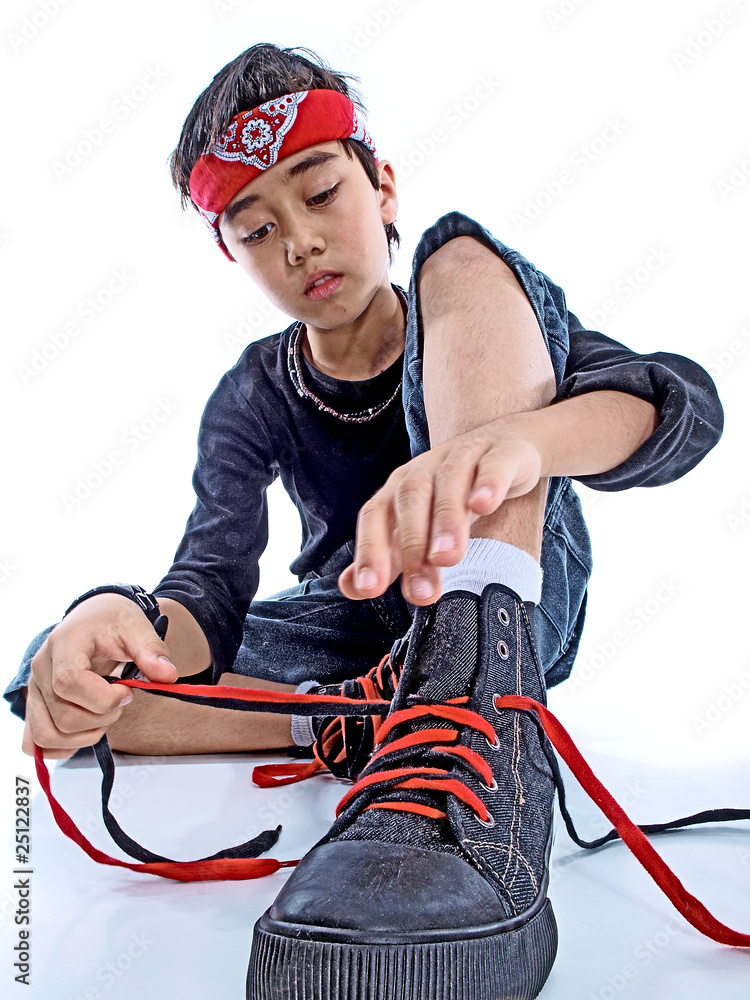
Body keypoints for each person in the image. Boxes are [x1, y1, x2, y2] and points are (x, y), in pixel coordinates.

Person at [4, 43, 723, 1000]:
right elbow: (206, 599)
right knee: (65, 682)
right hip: (348, 630)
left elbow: (682, 408)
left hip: (504, 586)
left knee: (463, 252)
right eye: (256, 229)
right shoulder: (254, 392)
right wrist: (112, 619)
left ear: (381, 184)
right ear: (233, 255)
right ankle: (363, 716)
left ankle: (474, 701)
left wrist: (518, 441)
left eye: (318, 192)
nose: (297, 241)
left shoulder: (473, 316)